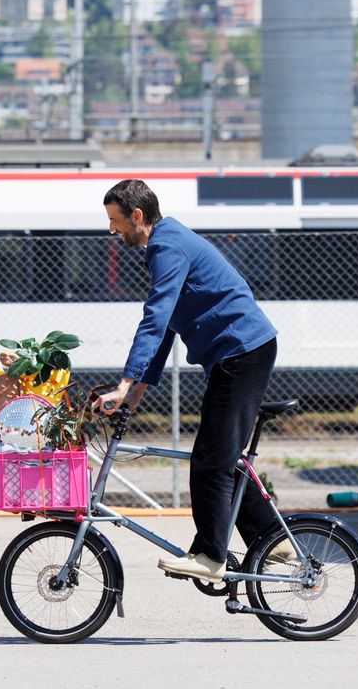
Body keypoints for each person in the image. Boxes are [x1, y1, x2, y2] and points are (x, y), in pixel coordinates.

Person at [92, 179, 282, 583]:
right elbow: (168, 327)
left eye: (115, 221)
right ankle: (272, 537)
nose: (112, 230)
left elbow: (156, 318)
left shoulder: (167, 247)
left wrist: (125, 384)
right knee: (222, 455)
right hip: (237, 355)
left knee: (210, 459)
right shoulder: (164, 245)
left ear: (137, 216)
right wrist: (138, 390)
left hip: (243, 353)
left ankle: (211, 556)